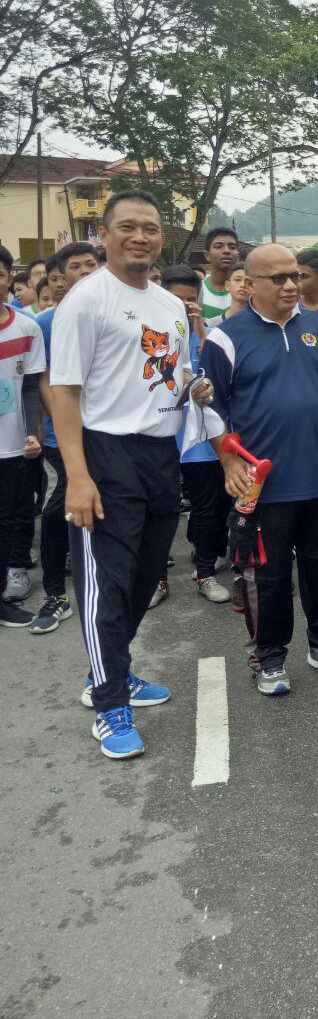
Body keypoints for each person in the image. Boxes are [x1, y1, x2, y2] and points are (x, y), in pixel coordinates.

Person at [46, 192, 212, 759]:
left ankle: (115, 668)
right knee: (104, 584)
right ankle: (108, 702)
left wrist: (195, 388)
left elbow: (172, 374)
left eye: (150, 228)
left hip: (160, 455)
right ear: (106, 235)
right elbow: (63, 392)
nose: (140, 237)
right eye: (128, 228)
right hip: (104, 454)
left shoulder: (167, 303)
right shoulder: (86, 301)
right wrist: (77, 476)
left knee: (145, 575)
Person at [203, 243, 318, 696]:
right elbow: (213, 408)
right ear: (251, 284)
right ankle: (268, 657)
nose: (292, 285)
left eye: (296, 276)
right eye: (279, 278)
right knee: (266, 577)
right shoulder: (226, 339)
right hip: (262, 485)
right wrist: (228, 459)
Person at [30, 241, 101, 633]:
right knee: (60, 510)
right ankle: (56, 594)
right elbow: (44, 380)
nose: (84, 272)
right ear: (59, 278)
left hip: (107, 436)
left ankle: (105, 583)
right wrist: (53, 423)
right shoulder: (46, 323)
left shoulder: (112, 314)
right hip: (61, 438)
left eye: (91, 264)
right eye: (74, 267)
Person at [161, 265, 232, 605]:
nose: (185, 306)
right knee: (160, 510)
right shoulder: (149, 335)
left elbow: (211, 370)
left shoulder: (207, 336)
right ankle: (157, 579)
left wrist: (200, 326)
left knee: (207, 510)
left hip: (201, 441)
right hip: (160, 438)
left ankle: (205, 574)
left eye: (191, 299)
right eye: (178, 299)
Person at [0, 245, 45, 628]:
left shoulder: (26, 328)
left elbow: (31, 386)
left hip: (12, 447)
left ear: (9, 281)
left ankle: (2, 596)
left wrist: (33, 433)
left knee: (11, 520)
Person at [200, 227, 240, 326]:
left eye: (232, 247)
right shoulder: (197, 289)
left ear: (238, 255)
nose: (226, 251)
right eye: (218, 246)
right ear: (207, 255)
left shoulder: (248, 290)